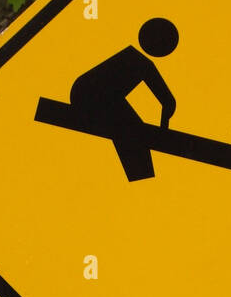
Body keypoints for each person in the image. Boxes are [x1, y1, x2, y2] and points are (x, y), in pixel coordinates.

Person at [68, 17, 179, 181]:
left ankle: (142, 182)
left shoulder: (133, 57)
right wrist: (163, 132)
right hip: (95, 97)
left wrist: (163, 131)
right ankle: (143, 183)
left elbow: (168, 101)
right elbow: (168, 101)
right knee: (135, 135)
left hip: (86, 93)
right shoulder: (141, 62)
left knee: (134, 134)